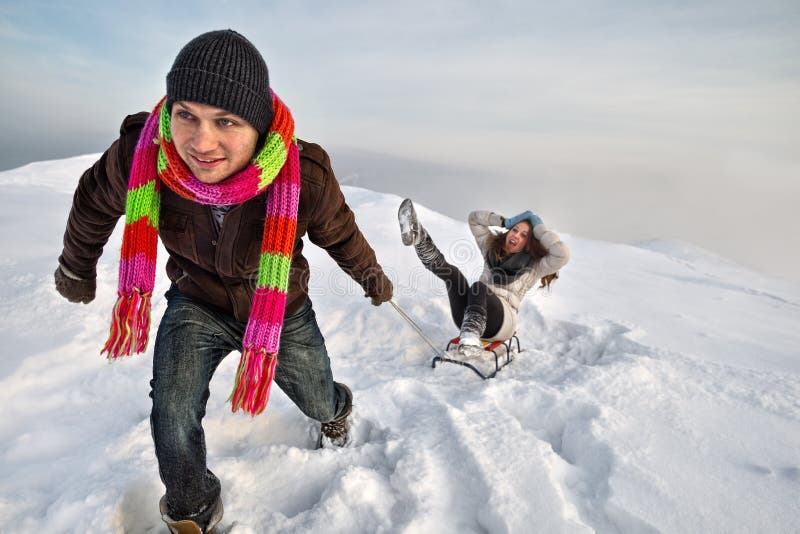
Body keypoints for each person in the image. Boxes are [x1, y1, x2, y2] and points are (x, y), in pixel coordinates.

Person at [54, 30, 393, 532]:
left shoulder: (305, 176)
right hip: (197, 300)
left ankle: (336, 407)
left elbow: (341, 233)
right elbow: (92, 201)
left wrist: (371, 276)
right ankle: (191, 503)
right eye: (186, 114)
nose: (200, 141)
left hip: (280, 309)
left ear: (258, 126)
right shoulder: (142, 154)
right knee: (172, 409)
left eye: (226, 121)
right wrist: (75, 267)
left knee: (317, 398)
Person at [398, 199, 568, 357]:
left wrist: (538, 228)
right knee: (454, 276)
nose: (516, 235)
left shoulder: (535, 266)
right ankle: (419, 238)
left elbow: (562, 254)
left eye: (524, 235)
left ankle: (471, 337)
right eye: (514, 229)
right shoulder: (490, 249)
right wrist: (504, 221)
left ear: (530, 243)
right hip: (469, 316)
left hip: (503, 323)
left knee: (479, 287)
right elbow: (474, 219)